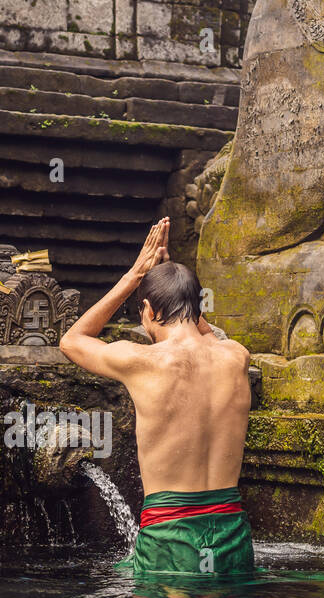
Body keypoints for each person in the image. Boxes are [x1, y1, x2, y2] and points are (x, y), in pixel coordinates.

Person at [59, 217, 255, 576]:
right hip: (233, 538)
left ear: (149, 311)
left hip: (170, 539)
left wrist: (134, 275)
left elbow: (72, 341)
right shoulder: (236, 357)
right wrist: (178, 283)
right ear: (198, 309)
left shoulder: (140, 361)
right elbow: (204, 333)